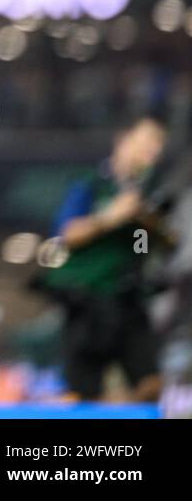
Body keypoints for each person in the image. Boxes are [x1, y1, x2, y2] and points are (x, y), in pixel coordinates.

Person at [42, 116, 168, 402]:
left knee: (151, 384)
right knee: (80, 392)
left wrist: (152, 223)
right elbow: (66, 234)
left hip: (128, 297)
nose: (154, 151)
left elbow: (167, 243)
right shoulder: (90, 184)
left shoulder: (150, 194)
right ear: (124, 141)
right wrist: (110, 217)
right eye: (148, 141)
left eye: (158, 145)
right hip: (88, 297)